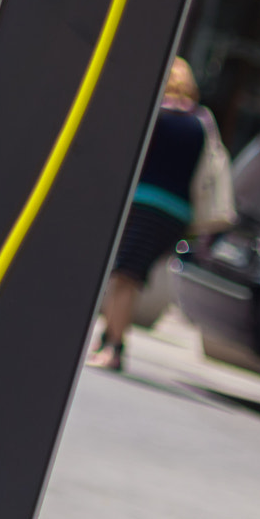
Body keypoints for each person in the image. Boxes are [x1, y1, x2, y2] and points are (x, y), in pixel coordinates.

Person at [89, 58, 208, 372]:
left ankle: (114, 347)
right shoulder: (199, 123)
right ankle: (107, 340)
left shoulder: (156, 118)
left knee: (124, 277)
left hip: (146, 205)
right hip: (176, 213)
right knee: (129, 276)